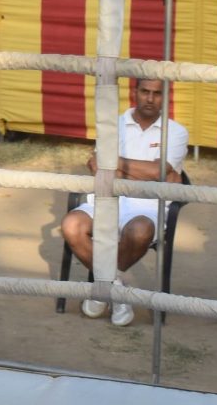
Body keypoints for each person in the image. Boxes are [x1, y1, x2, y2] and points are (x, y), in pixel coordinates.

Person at [61, 77, 189, 328]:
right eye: (145, 91)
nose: (150, 98)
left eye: (157, 93)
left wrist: (116, 163)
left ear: (165, 97)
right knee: (71, 225)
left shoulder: (176, 131)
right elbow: (99, 168)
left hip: (150, 206)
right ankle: (116, 290)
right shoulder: (114, 124)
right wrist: (152, 173)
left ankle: (103, 289)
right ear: (134, 92)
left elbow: (160, 172)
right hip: (108, 198)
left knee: (139, 230)